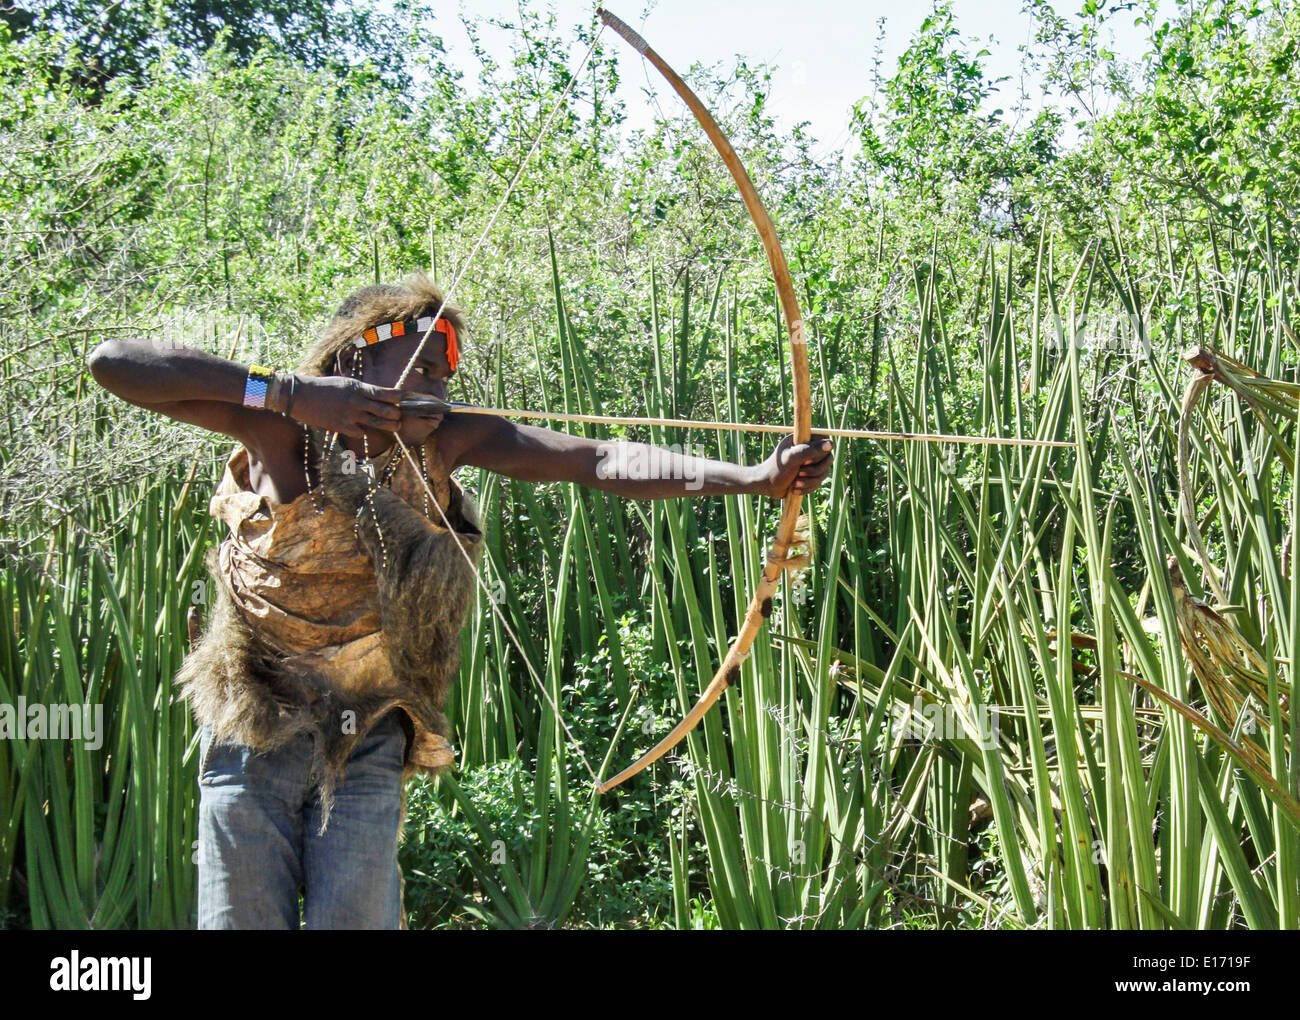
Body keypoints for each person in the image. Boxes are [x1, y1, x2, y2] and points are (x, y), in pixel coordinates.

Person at [87, 272, 834, 929]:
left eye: (448, 374)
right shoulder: (281, 431)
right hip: (253, 728)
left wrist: (750, 478)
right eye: (423, 368)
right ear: (353, 362)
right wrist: (289, 391)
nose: (440, 390)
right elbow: (113, 363)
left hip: (370, 731)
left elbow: (600, 459)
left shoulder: (451, 440)